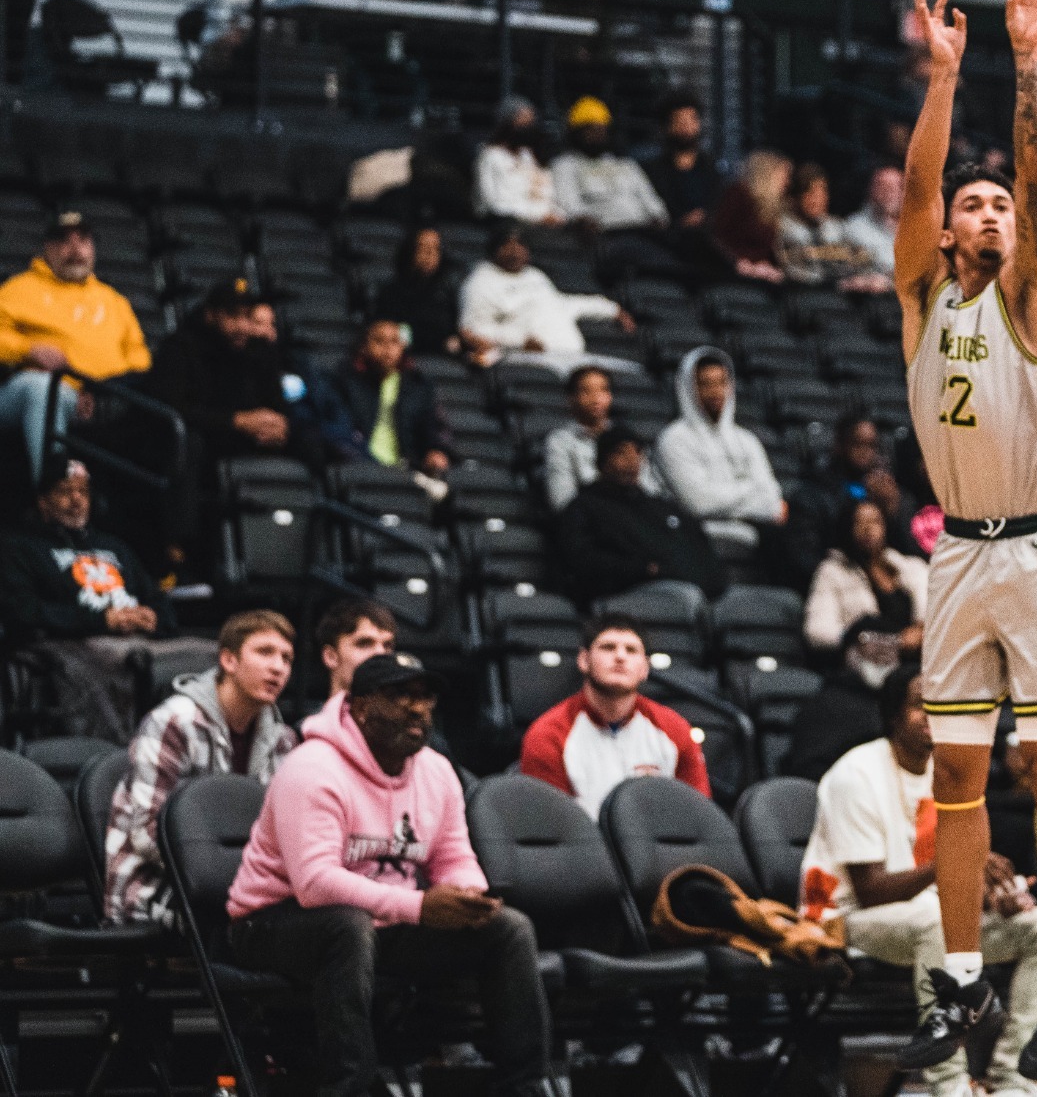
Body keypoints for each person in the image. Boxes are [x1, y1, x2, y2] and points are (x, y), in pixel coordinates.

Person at [890, 0, 1037, 1078]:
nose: (984, 210)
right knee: (954, 782)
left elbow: (1036, 173)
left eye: (997, 207)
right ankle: (960, 987)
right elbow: (915, 190)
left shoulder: (1033, 298)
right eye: (972, 205)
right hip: (958, 552)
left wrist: (1024, 59)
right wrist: (942, 74)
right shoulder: (923, 299)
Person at [227, 653, 552, 1097]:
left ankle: (523, 1086)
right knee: (347, 926)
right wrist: (419, 906)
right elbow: (316, 883)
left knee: (508, 929)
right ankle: (350, 1088)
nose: (417, 708)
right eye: (399, 696)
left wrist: (467, 896)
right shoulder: (312, 769)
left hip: (378, 922)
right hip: (270, 923)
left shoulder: (437, 771)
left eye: (424, 697)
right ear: (359, 706)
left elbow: (452, 855)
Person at [800, 666, 1037, 1097]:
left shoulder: (949, 771)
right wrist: (954, 864)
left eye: (944, 705)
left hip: (922, 915)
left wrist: (992, 895)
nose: (934, 715)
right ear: (893, 714)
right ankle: (949, 1083)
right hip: (843, 920)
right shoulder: (855, 774)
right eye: (921, 704)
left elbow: (944, 877)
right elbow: (872, 891)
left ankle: (1014, 1076)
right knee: (939, 925)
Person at [104, 611, 297, 924]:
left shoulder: (283, 739)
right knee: (260, 922)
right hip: (153, 884)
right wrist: (237, 870)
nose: (277, 667)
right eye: (264, 652)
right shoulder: (174, 723)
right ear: (229, 660)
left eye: (286, 658)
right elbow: (144, 831)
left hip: (246, 884)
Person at [0, 460, 213, 740]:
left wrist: (153, 617)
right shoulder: (20, 548)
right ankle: (118, 753)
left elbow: (156, 598)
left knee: (214, 653)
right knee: (124, 665)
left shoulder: (115, 547)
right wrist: (103, 620)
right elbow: (23, 612)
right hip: (75, 641)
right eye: (65, 491)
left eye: (83, 492)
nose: (76, 500)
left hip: (140, 639)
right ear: (44, 502)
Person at [0, 209, 152, 482]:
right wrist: (27, 349)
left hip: (105, 397)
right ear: (47, 247)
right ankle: (55, 493)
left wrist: (105, 393)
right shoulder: (18, 289)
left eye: (82, 240)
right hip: (35, 391)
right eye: (64, 241)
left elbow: (139, 359)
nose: (75, 249)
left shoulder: (114, 301)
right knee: (41, 388)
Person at [520, 616, 710, 817]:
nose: (620, 656)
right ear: (584, 660)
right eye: (608, 647)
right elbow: (547, 827)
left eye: (631, 650)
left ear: (645, 668)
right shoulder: (548, 734)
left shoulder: (675, 729)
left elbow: (698, 817)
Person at [147, 277, 319, 467]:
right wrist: (236, 421)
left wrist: (278, 426)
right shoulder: (180, 348)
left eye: (247, 316)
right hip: (207, 435)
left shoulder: (258, 350)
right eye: (233, 316)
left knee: (308, 440)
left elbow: (276, 402)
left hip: (246, 436)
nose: (242, 327)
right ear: (210, 314)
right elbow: (171, 408)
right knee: (191, 443)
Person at [556, 425, 725, 603]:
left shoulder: (660, 506)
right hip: (625, 592)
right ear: (602, 461)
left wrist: (715, 580)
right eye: (621, 452)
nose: (632, 460)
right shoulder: (584, 507)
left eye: (637, 452)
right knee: (688, 597)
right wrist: (642, 569)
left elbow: (700, 546)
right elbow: (582, 561)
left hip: (686, 584)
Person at [656, 346, 785, 555]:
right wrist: (751, 490)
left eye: (721, 382)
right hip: (695, 538)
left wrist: (726, 503)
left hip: (759, 534)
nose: (715, 392)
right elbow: (699, 504)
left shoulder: (747, 439)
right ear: (688, 388)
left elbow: (773, 503)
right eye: (705, 384)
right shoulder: (674, 439)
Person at [458, 223, 635, 368]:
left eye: (520, 245)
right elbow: (472, 331)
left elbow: (563, 304)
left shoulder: (534, 275)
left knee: (630, 371)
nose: (515, 251)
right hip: (525, 359)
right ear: (494, 249)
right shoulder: (480, 281)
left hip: (570, 356)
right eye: (507, 245)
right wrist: (520, 341)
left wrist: (612, 309)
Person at [783, 618, 910, 782]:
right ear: (849, 652)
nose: (883, 652)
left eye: (892, 645)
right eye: (871, 644)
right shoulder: (825, 705)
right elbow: (807, 770)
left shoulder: (900, 705)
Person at [326, 319, 454, 479]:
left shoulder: (418, 386)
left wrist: (437, 450)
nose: (388, 348)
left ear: (402, 346)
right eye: (379, 341)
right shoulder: (345, 382)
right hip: (358, 467)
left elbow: (433, 427)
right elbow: (338, 429)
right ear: (364, 347)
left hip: (407, 469)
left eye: (394, 341)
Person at [805, 499, 929, 652]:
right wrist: (889, 640)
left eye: (875, 521)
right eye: (859, 522)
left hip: (917, 655)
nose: (868, 528)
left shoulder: (912, 568)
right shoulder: (832, 571)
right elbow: (818, 631)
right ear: (847, 528)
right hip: (867, 660)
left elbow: (937, 617)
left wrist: (921, 632)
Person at [543, 365, 663, 511]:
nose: (596, 398)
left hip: (635, 515)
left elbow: (650, 488)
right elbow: (562, 500)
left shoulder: (626, 436)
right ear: (571, 398)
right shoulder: (560, 441)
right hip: (592, 518)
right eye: (586, 391)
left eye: (603, 390)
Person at [550, 97, 672, 236]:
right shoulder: (564, 165)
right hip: (608, 234)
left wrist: (659, 218)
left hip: (645, 231)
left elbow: (651, 200)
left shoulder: (626, 165)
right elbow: (570, 204)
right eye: (590, 130)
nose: (597, 135)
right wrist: (583, 221)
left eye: (601, 129)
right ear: (575, 133)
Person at [777, 163, 889, 290]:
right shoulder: (785, 228)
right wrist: (838, 279)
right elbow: (798, 272)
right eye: (810, 193)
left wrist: (866, 277)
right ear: (796, 197)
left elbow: (863, 257)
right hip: (806, 297)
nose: (817, 200)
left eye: (822, 191)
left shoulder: (835, 227)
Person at [372, 226, 466, 358]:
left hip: (444, 359)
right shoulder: (392, 292)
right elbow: (393, 333)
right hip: (403, 357)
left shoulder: (448, 294)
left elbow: (455, 334)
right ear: (410, 251)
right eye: (423, 248)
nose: (429, 254)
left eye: (435, 249)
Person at [476, 98, 562, 225]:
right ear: (507, 122)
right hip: (504, 223)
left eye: (531, 121)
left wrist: (555, 215)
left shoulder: (530, 157)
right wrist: (537, 217)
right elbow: (493, 203)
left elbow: (546, 195)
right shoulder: (490, 156)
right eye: (523, 120)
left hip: (540, 225)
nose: (529, 126)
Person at [708, 150, 790, 283]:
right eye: (782, 176)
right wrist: (738, 263)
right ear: (766, 175)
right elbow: (717, 235)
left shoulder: (771, 209)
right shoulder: (739, 195)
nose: (786, 183)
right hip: (732, 272)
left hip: (762, 274)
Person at [650, 94, 720, 226]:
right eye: (680, 121)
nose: (687, 127)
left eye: (692, 120)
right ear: (667, 127)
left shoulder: (711, 167)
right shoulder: (655, 171)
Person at [316, 598, 398, 703]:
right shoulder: (313, 720)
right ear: (331, 657)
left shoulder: (408, 719)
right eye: (364, 644)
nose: (380, 653)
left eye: (387, 646)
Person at [844, 165, 904, 276]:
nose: (889, 192)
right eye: (883, 186)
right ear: (871, 190)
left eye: (895, 187)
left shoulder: (918, 226)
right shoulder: (855, 227)